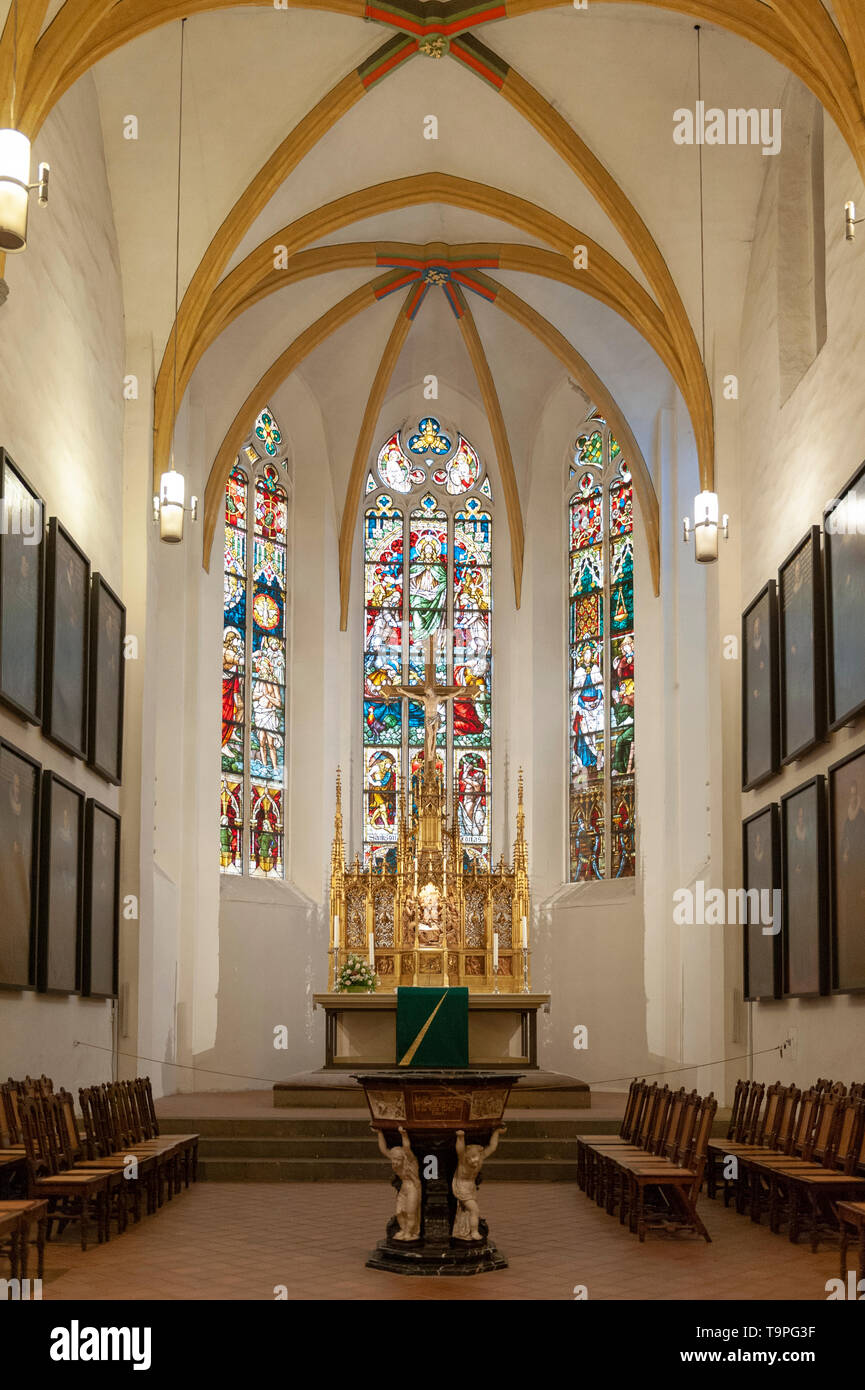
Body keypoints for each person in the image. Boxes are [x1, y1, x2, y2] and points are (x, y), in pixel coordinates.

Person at [452, 1126, 505, 1241]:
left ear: (479, 1155)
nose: (473, 1160)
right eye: (470, 1158)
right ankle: (474, 1232)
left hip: (471, 1187)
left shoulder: (480, 1158)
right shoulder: (462, 1161)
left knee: (466, 1211)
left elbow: (492, 1147)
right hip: (462, 1187)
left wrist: (496, 1132)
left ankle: (463, 1229)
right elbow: (460, 1150)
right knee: (474, 1210)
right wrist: (460, 1137)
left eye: (475, 1156)